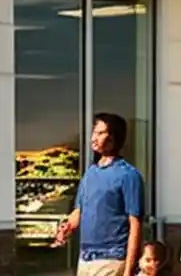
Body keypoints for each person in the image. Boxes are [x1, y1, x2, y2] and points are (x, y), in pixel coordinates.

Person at [54, 113, 145, 276]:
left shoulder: (128, 175)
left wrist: (129, 269)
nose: (94, 138)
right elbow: (79, 212)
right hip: (85, 259)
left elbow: (135, 225)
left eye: (100, 133)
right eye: (94, 132)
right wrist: (66, 227)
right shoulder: (90, 173)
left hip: (112, 259)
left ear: (113, 137)